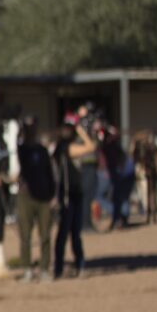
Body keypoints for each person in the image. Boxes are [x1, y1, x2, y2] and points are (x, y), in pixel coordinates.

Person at [13, 119, 55, 281]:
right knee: (25, 235)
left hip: (44, 197)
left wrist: (53, 195)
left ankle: (44, 268)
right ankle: (27, 269)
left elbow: (50, 173)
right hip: (26, 197)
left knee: (45, 235)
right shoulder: (19, 151)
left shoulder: (42, 151)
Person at [53, 118, 94, 279]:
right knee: (70, 233)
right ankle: (74, 265)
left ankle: (62, 266)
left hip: (72, 193)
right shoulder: (66, 148)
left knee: (68, 233)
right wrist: (83, 133)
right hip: (68, 195)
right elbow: (91, 147)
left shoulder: (60, 147)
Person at [132, 129, 157, 225]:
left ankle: (153, 212)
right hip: (143, 169)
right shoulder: (139, 145)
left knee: (153, 192)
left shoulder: (155, 144)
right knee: (144, 191)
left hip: (152, 169)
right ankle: (147, 211)